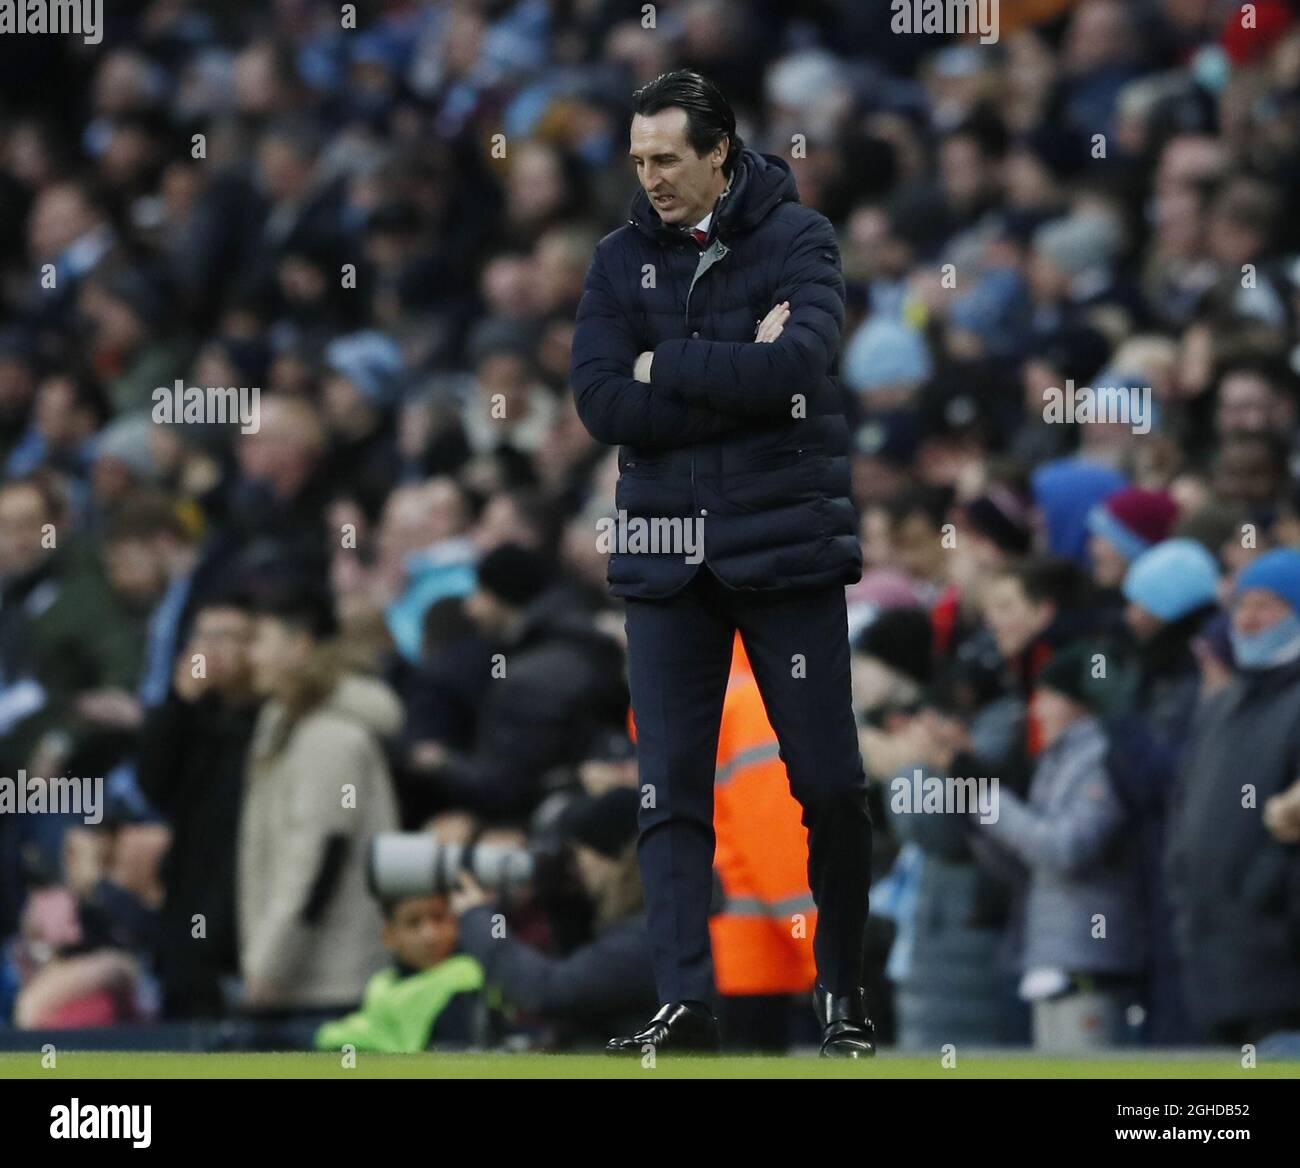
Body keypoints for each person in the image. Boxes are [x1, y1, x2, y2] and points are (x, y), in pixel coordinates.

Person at [570, 70, 874, 1056]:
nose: (650, 178)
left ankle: (843, 989)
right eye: (638, 160)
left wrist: (669, 363)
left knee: (827, 783)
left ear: (720, 155)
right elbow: (602, 404)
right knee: (666, 789)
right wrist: (736, 360)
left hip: (784, 552)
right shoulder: (618, 261)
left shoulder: (800, 238)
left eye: (667, 159)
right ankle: (684, 1000)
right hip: (665, 560)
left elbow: (797, 369)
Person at [237, 583, 401, 1013]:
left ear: (300, 645)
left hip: (328, 984)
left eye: (260, 641)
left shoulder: (330, 735)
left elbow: (319, 855)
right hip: (308, 978)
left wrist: (271, 963)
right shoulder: (285, 722)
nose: (249, 656)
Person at [974, 642, 1146, 1051]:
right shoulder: (1057, 758)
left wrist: (986, 800)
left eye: (1047, 697)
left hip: (1092, 963)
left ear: (1079, 701)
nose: (1036, 710)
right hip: (1051, 959)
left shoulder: (1101, 757)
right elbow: (1030, 858)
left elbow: (1067, 849)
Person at [1165, 547, 1300, 1044]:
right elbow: (1183, 812)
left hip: (1281, 977)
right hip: (1214, 971)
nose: (1247, 619)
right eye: (1241, 604)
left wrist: (1268, 907)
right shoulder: (1223, 706)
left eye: (1267, 605)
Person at [451, 787, 658, 1048]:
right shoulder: (651, 920)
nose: (576, 867)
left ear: (611, 857)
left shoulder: (642, 940)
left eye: (579, 853)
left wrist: (477, 917)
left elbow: (546, 991)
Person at [313, 892, 485, 1053]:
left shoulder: (468, 978)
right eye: (413, 923)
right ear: (388, 935)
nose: (430, 935)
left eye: (439, 918)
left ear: (456, 923)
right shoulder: (381, 983)